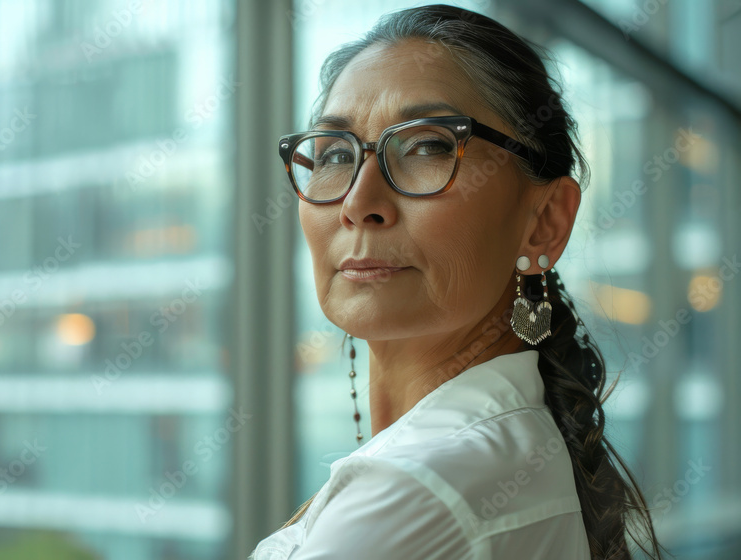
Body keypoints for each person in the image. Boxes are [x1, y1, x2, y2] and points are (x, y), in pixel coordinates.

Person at [250, 5, 666, 559]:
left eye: (428, 145)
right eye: (332, 154)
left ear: (544, 222)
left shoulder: (416, 491)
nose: (358, 203)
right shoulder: (506, 451)